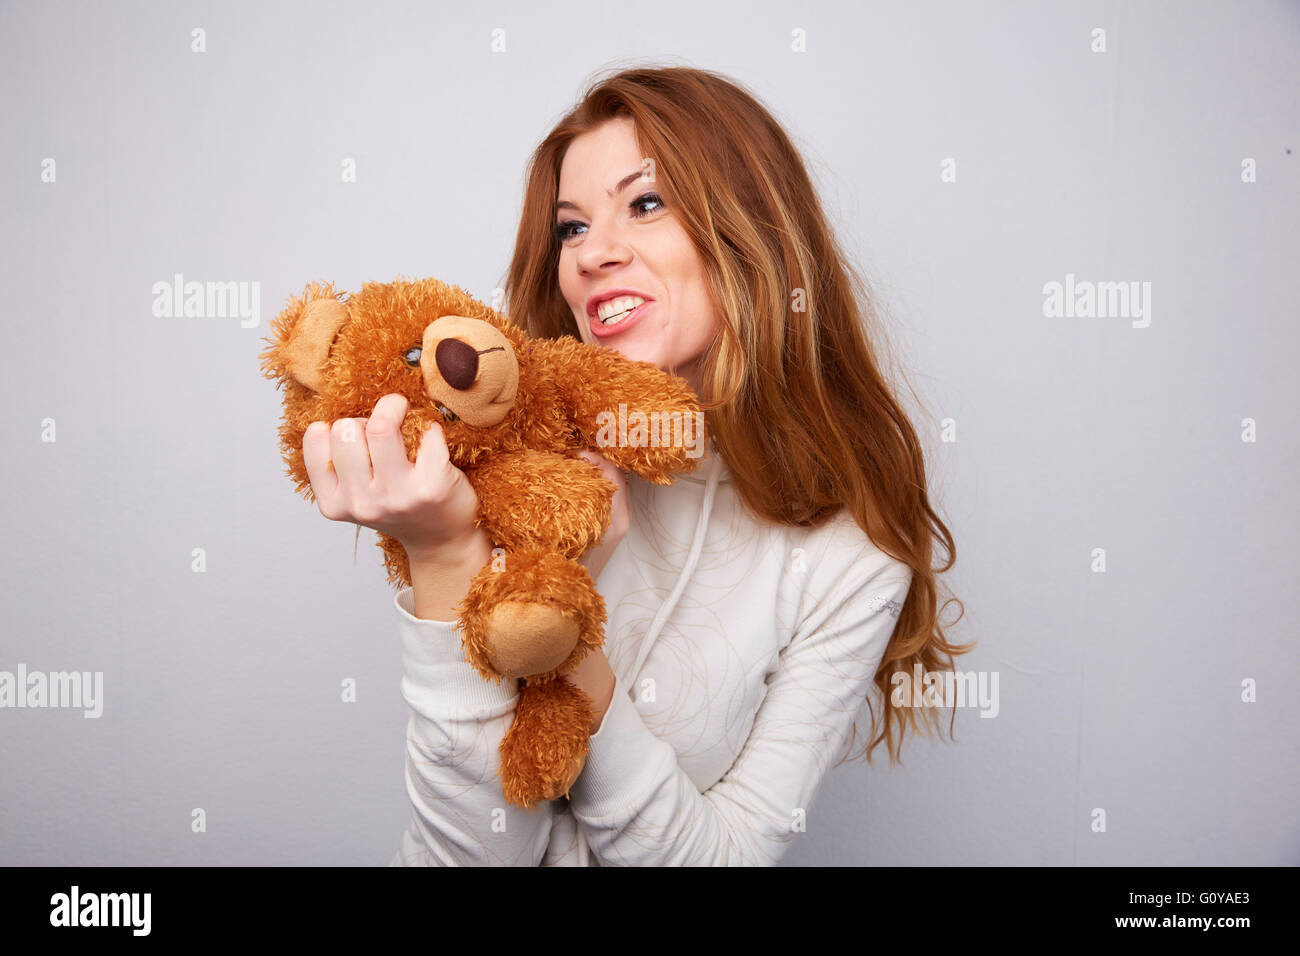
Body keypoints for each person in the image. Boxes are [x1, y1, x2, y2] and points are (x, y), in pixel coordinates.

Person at [302, 65, 970, 866]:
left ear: (751, 230)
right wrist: (444, 560)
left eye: (645, 204)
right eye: (571, 228)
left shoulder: (850, 554)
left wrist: (564, 645)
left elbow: (721, 858)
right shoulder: (510, 466)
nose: (591, 256)